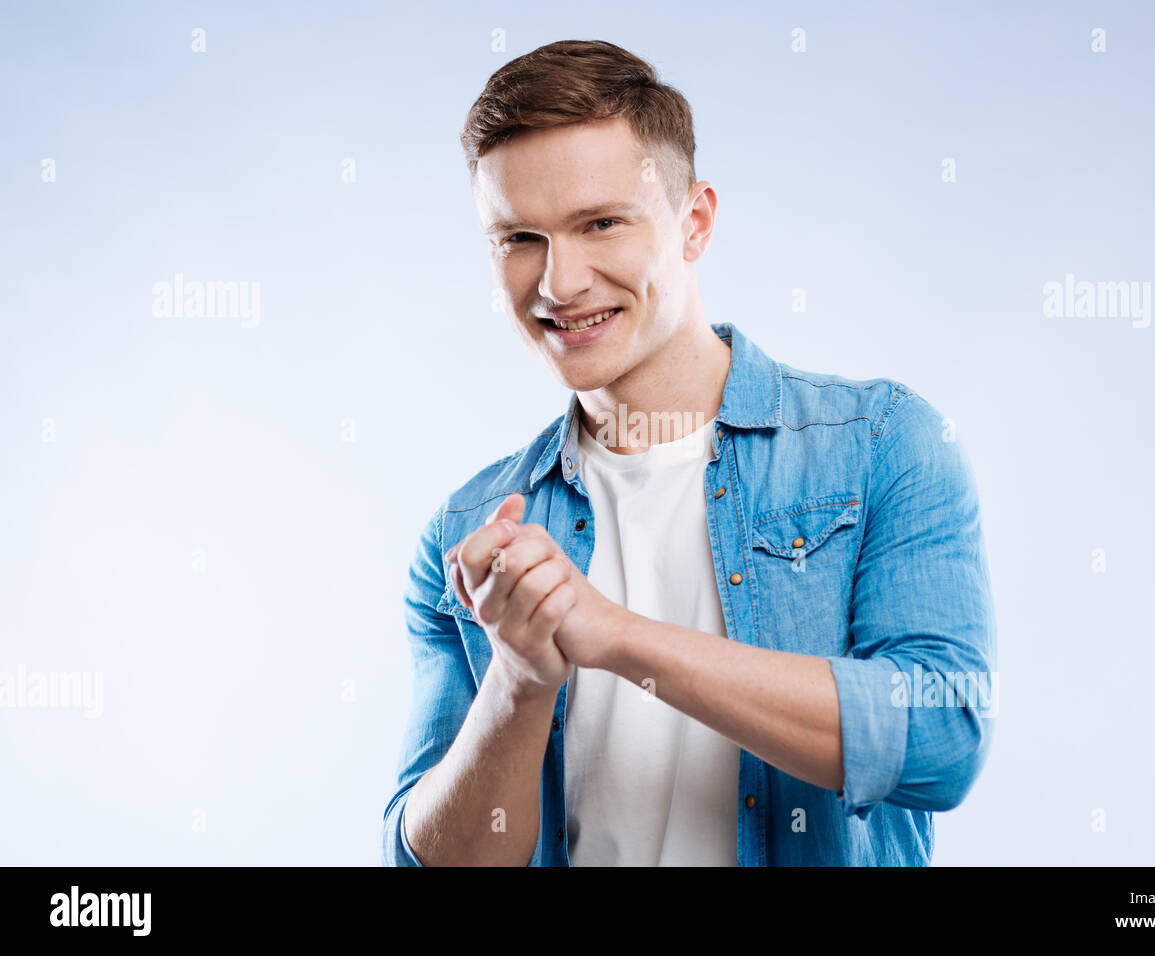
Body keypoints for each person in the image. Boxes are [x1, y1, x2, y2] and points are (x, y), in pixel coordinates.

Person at [381, 39, 997, 866]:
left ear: (694, 222)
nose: (559, 283)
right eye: (520, 237)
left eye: (601, 223)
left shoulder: (882, 444)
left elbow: (943, 736)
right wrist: (518, 684)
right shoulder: (464, 536)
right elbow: (432, 859)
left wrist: (618, 637)